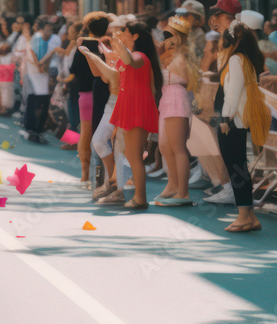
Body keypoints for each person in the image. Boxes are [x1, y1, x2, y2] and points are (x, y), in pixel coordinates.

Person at [97, 22, 162, 210]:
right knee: (131, 155)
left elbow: (129, 60)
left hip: (137, 108)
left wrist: (116, 43)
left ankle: (141, 198)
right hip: (132, 106)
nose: (121, 34)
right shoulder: (132, 55)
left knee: (134, 156)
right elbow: (113, 75)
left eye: (125, 32)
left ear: (135, 36)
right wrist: (94, 57)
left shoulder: (138, 56)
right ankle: (139, 197)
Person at [215, 14, 270, 232]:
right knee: (239, 167)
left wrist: (226, 118)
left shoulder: (237, 59)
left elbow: (233, 93)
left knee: (236, 167)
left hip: (233, 120)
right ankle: (249, 216)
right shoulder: (246, 58)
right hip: (238, 119)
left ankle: (245, 215)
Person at [154, 15, 199, 205]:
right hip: (167, 100)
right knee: (164, 146)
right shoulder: (172, 56)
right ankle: (172, 185)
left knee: (178, 148)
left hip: (176, 101)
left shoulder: (181, 57)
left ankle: (183, 192)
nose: (166, 38)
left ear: (178, 37)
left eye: (169, 35)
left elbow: (185, 79)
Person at [70, 12, 110, 188]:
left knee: (86, 134)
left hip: (86, 94)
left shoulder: (82, 46)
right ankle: (104, 176)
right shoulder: (108, 45)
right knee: (105, 136)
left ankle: (85, 176)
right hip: (106, 92)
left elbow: (74, 70)